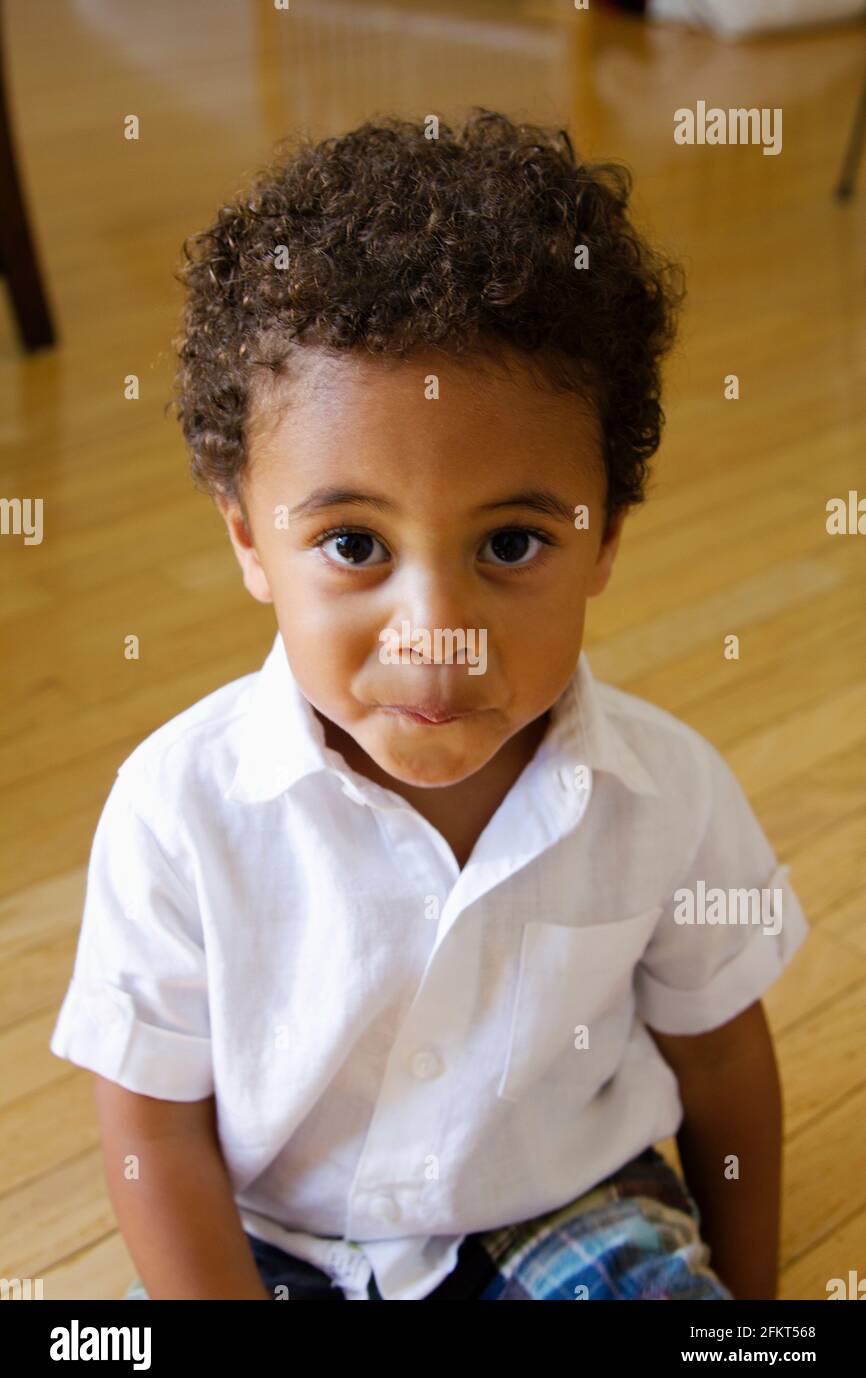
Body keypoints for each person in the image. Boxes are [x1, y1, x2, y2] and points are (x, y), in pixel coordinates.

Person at [49, 109, 809, 1301]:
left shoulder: (667, 794)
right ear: (249, 536)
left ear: (603, 533)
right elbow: (153, 1134)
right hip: (271, 1245)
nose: (434, 631)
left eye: (509, 542)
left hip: (566, 1210)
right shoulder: (176, 809)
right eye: (353, 541)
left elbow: (723, 1067)